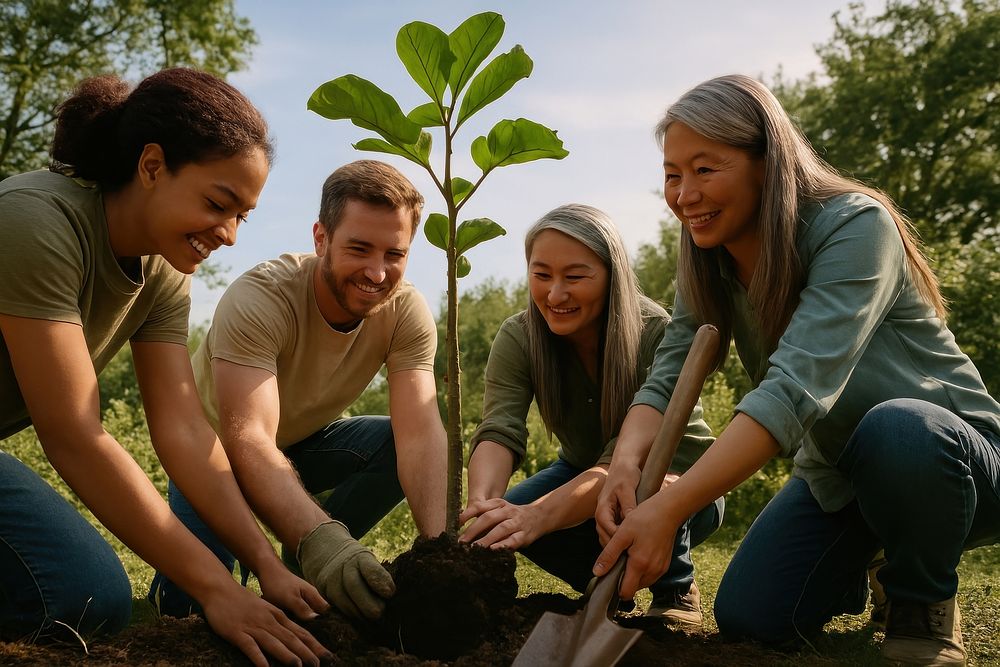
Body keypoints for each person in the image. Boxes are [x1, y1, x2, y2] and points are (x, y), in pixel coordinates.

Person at [593, 75, 1000, 665]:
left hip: (952, 461)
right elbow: (669, 371)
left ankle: (921, 599)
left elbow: (792, 391)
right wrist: (625, 463)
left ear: (768, 163)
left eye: (706, 169)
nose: (684, 194)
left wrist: (669, 509)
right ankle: (870, 559)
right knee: (751, 616)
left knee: (898, 429)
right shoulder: (708, 261)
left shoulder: (854, 226)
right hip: (842, 477)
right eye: (672, 174)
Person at [0, 69, 332, 667]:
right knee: (77, 595)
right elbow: (73, 434)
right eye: (216, 203)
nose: (229, 234)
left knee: (90, 596)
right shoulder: (36, 222)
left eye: (243, 216)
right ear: (151, 166)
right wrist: (215, 589)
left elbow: (183, 429)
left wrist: (262, 564)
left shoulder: (163, 276)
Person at [148, 159, 447, 622]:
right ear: (321, 238)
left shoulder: (405, 312)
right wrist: (322, 540)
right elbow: (246, 440)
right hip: (212, 455)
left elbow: (421, 431)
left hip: (304, 445)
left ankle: (308, 556)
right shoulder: (262, 299)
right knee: (193, 609)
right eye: (360, 248)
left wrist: (439, 550)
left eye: (394, 254)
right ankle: (311, 542)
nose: (376, 272)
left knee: (392, 440)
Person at [460, 204, 723, 629]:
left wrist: (541, 516)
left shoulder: (656, 332)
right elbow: (499, 428)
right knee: (511, 516)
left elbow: (623, 461)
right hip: (580, 468)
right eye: (541, 275)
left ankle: (675, 586)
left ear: (611, 276)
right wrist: (484, 505)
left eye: (575, 277)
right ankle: (612, 583)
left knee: (632, 491)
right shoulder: (519, 336)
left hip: (675, 480)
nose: (555, 294)